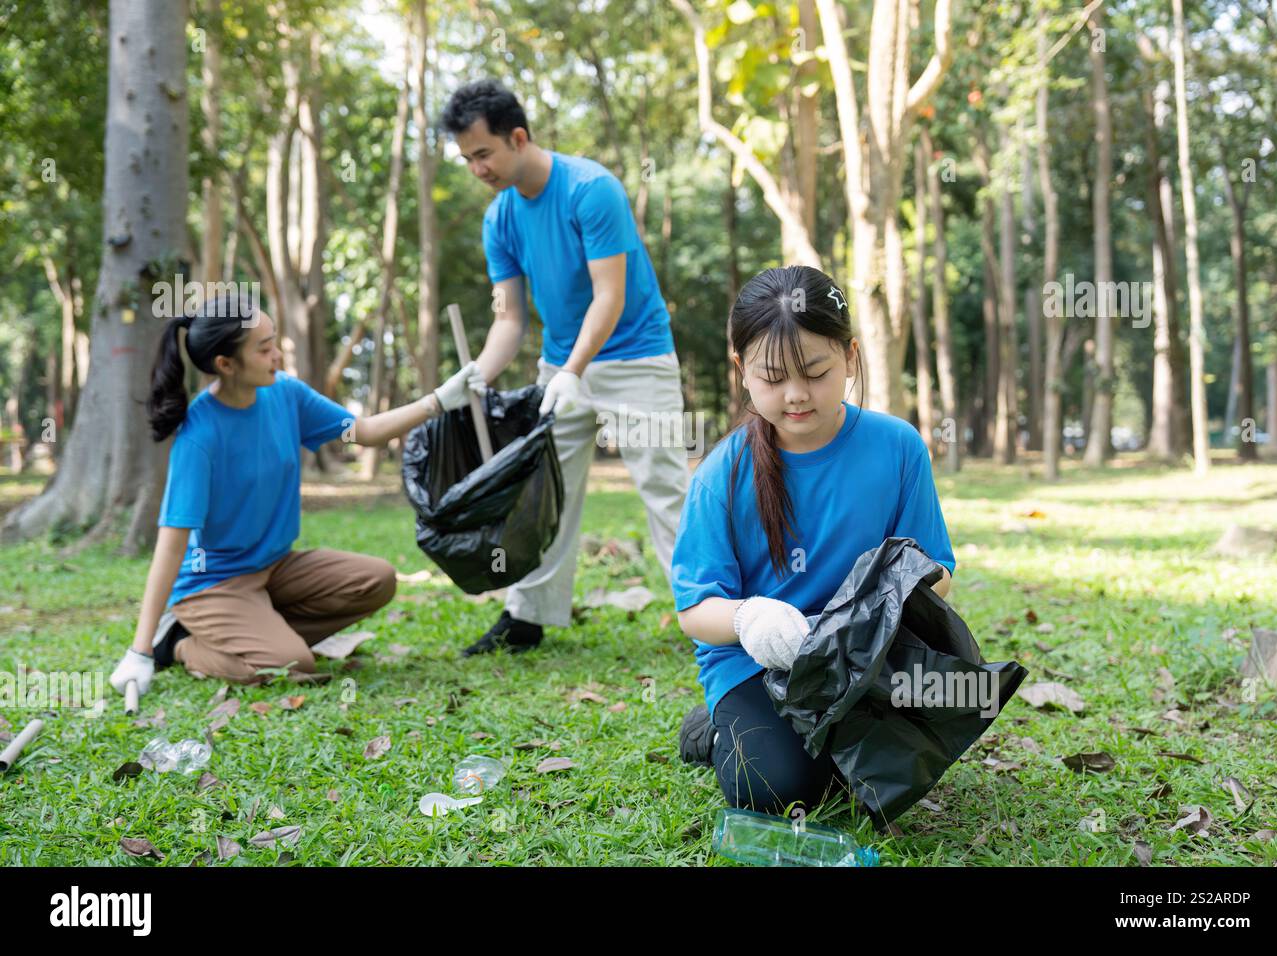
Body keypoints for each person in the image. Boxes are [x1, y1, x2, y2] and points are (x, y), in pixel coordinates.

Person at [670, 265, 956, 815]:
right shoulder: (722, 475)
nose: (796, 396)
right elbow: (695, 609)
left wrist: (871, 614)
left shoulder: (897, 447)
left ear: (850, 357)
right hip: (759, 666)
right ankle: (719, 726)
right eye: (773, 378)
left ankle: (772, 735)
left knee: (911, 759)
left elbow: (937, 571)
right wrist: (750, 619)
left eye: (816, 372)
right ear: (742, 372)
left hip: (863, 659)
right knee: (775, 788)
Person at [108, 292, 485, 697]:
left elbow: (365, 431)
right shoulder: (199, 437)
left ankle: (262, 630)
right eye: (264, 348)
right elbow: (172, 543)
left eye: (275, 341)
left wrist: (440, 400)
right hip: (212, 584)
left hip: (274, 567)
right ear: (226, 364)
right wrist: (140, 649)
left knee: (375, 580)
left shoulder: (286, 395)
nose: (277, 356)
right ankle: (179, 643)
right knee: (292, 664)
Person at [439, 79, 690, 657]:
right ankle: (528, 615)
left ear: (518, 137)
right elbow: (509, 318)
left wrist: (573, 370)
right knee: (540, 490)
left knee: (666, 488)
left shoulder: (591, 189)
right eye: (466, 159)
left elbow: (610, 295)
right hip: (561, 366)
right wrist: (479, 372)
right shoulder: (499, 219)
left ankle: (707, 610)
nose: (477, 168)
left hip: (635, 356)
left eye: (483, 154)